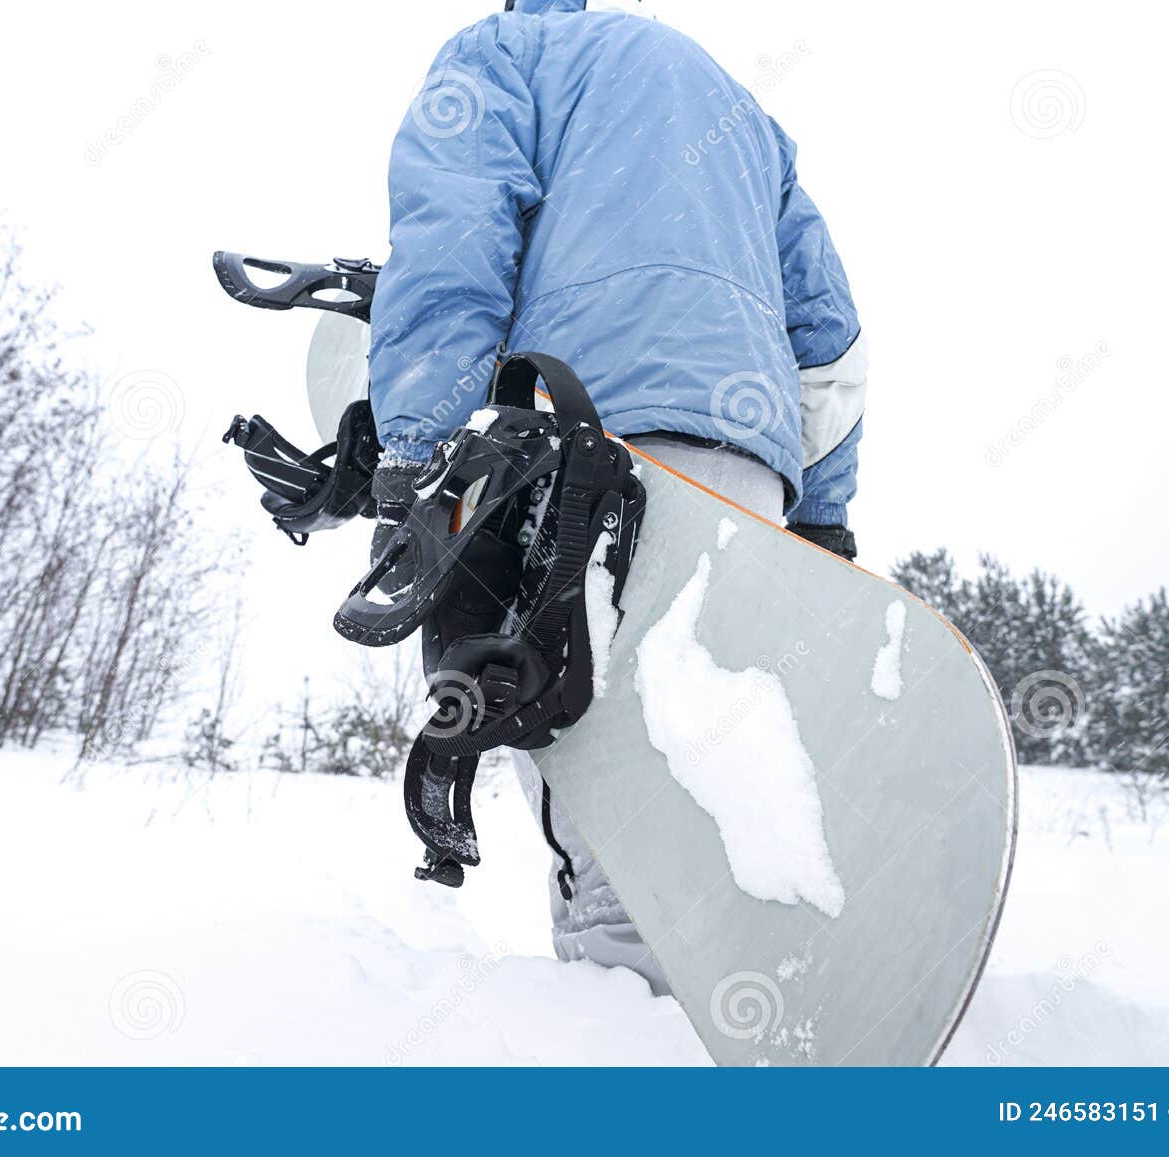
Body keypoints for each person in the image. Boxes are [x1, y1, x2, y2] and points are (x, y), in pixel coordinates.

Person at [365, 0, 864, 997]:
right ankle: (747, 991)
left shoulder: (498, 53)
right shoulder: (732, 106)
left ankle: (636, 1042)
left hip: (586, 449)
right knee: (711, 759)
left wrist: (417, 458)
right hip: (752, 463)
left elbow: (450, 252)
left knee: (594, 763)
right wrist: (821, 519)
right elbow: (830, 332)